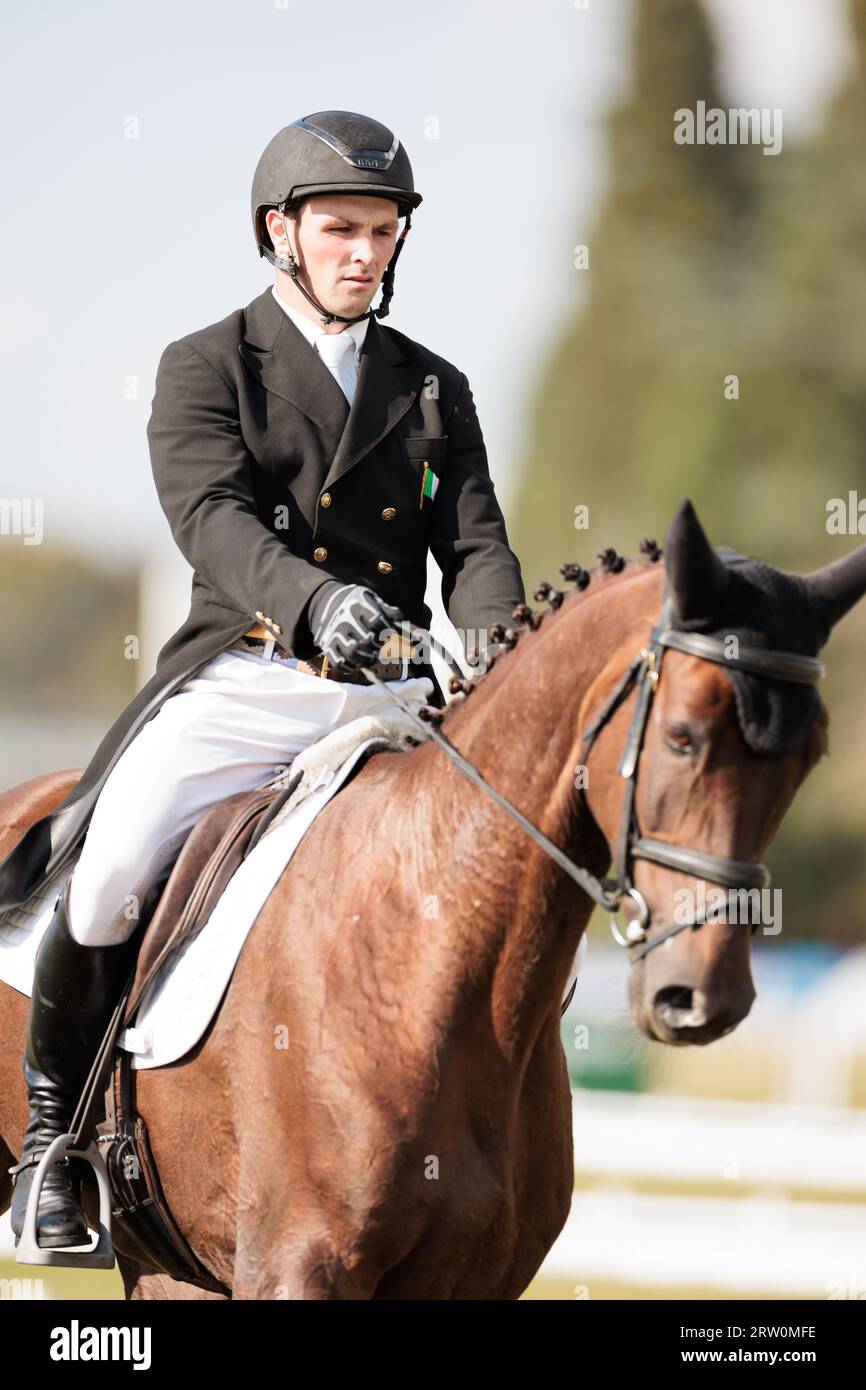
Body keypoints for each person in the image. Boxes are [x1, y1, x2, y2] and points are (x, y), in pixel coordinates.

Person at [8, 110, 525, 1248]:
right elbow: (213, 523)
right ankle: (56, 1140)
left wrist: (493, 634)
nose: (364, 252)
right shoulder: (206, 366)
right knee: (107, 878)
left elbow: (475, 544)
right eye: (340, 227)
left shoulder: (433, 388)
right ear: (279, 234)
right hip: (251, 677)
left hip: (391, 693)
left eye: (381, 231)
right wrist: (315, 601)